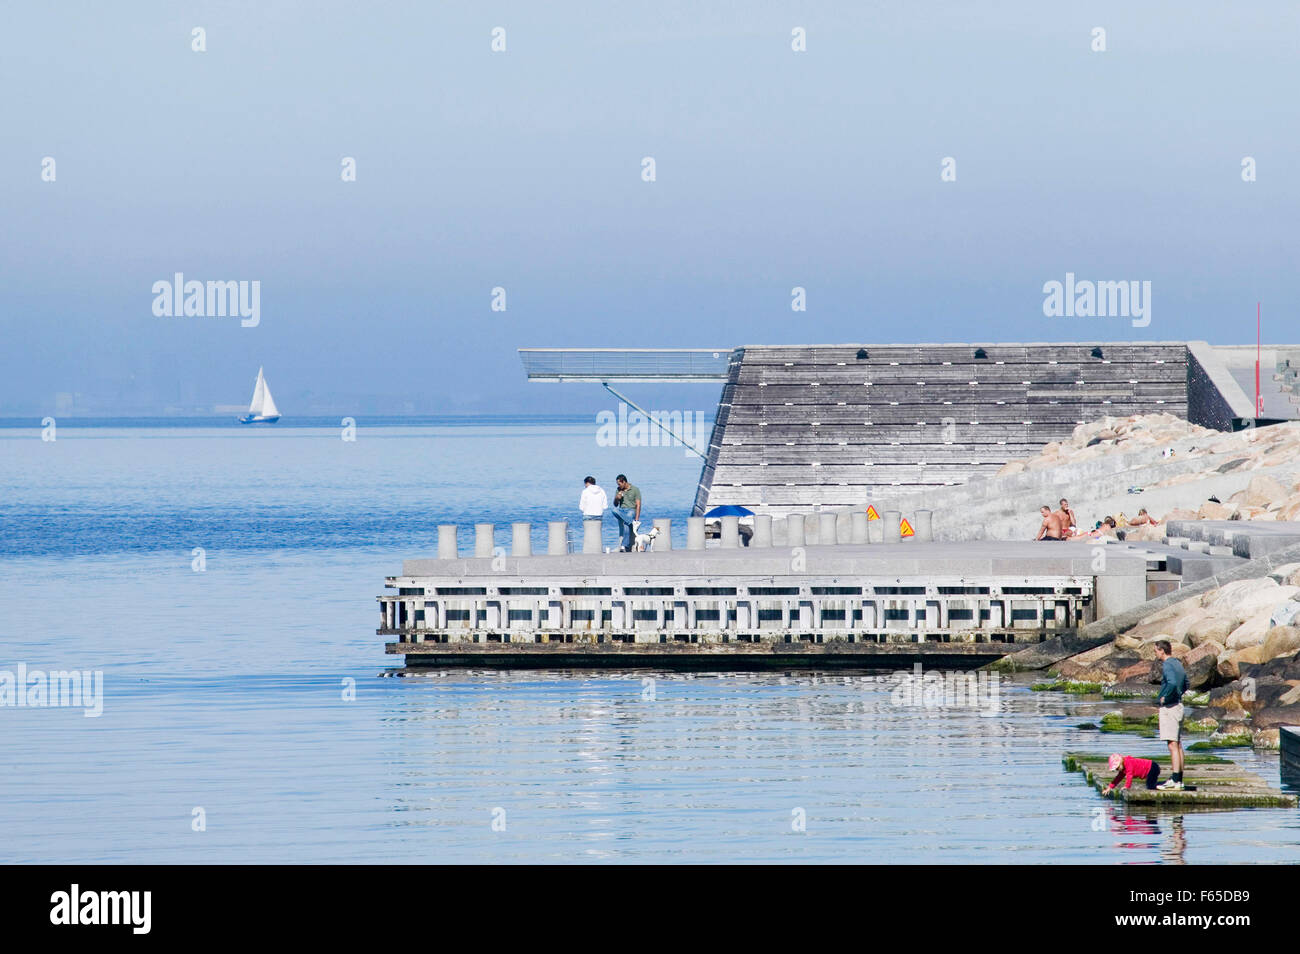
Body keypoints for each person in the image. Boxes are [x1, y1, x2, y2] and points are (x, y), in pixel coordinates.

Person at [1154, 640, 1189, 791]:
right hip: (1179, 706)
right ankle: (1179, 779)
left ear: (1162, 651)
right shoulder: (1177, 663)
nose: (1155, 653)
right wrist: (1178, 695)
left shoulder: (1167, 664)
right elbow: (1186, 682)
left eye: (1155, 650)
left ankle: (1174, 779)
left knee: (1172, 745)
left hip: (1170, 707)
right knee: (1178, 743)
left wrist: (1166, 697)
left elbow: (1172, 683)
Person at [612, 474, 642, 552]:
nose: (618, 486)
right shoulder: (618, 490)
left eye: (619, 484)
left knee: (626, 523)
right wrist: (617, 498)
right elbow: (615, 504)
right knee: (614, 510)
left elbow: (638, 505)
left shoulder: (635, 489)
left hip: (631, 510)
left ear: (624, 482)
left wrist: (637, 519)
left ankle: (624, 546)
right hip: (622, 510)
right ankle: (630, 522)